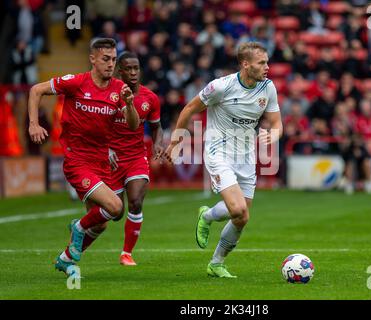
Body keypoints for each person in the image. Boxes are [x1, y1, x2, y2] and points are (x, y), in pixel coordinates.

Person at [162, 42, 283, 278]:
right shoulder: (220, 87)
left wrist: (274, 134)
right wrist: (175, 143)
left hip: (247, 156)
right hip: (219, 153)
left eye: (267, 62)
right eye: (262, 63)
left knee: (242, 217)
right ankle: (206, 217)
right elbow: (188, 109)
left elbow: (277, 122)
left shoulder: (268, 88)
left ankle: (216, 262)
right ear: (246, 64)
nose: (267, 67)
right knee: (237, 208)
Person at [27, 38, 139, 278]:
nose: (111, 64)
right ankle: (77, 227)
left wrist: (129, 105)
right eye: (105, 59)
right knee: (116, 207)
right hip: (77, 160)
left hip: (102, 161)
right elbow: (36, 90)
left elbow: (133, 125)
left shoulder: (119, 89)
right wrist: (34, 124)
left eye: (113, 60)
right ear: (93, 59)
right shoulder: (76, 82)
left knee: (101, 222)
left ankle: (66, 259)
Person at [81, 51, 163, 266]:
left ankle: (126, 253)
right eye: (128, 68)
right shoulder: (107, 94)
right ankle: (76, 242)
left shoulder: (150, 98)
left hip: (136, 157)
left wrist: (158, 143)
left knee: (136, 202)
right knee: (113, 213)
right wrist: (105, 148)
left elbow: (156, 127)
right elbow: (94, 126)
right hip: (111, 161)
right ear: (120, 71)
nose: (134, 72)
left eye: (136, 68)